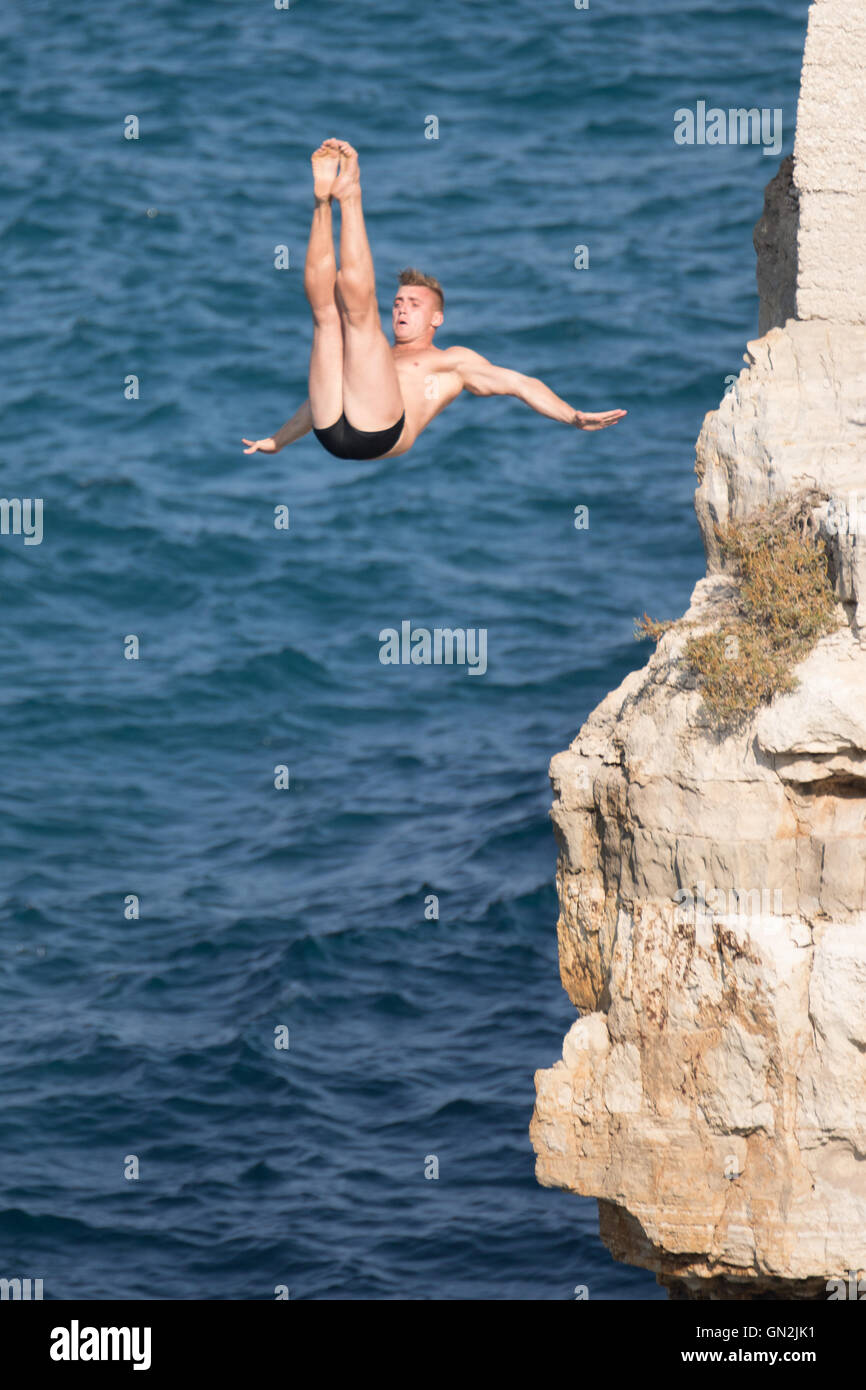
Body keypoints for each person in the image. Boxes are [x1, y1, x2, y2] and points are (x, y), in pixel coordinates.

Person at [242, 139, 626, 463]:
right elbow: (316, 404)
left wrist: (571, 416)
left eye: (413, 303)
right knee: (325, 315)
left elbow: (519, 384)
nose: (401, 308)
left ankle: (351, 196)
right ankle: (322, 202)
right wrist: (278, 439)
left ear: (436, 319)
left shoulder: (452, 363)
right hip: (332, 432)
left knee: (357, 321)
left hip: (380, 433)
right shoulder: (377, 359)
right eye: (398, 302)